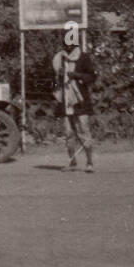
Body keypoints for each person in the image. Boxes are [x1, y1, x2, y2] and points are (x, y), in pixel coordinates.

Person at [52, 28, 95, 172]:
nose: (69, 47)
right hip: (65, 100)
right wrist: (59, 78)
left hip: (80, 100)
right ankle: (73, 162)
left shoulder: (83, 57)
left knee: (83, 129)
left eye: (71, 43)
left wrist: (75, 75)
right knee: (68, 132)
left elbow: (91, 77)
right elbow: (56, 83)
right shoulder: (59, 59)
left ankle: (90, 162)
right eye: (66, 43)